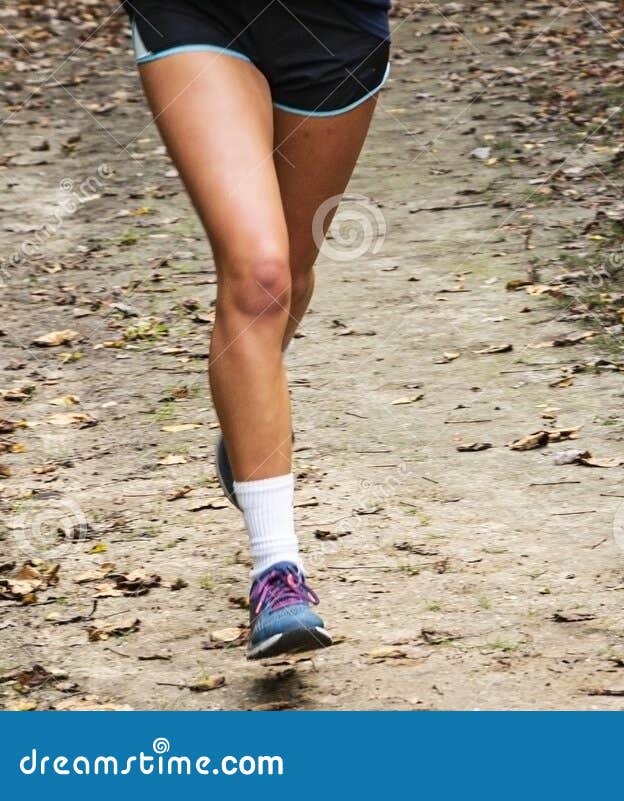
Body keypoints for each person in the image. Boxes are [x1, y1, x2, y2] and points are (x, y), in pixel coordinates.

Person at [123, 0, 391, 659]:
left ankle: (247, 432)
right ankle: (278, 572)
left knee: (293, 273)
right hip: (194, 12)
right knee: (260, 277)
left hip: (334, 25)